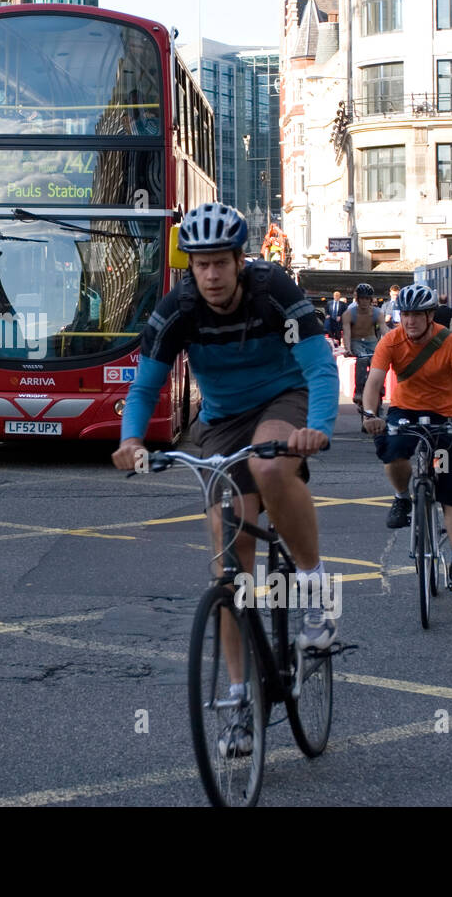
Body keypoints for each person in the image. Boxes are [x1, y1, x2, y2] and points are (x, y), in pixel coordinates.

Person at [113, 202, 340, 758]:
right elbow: (145, 388)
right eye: (200, 265)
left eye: (220, 263)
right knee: (230, 565)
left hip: (284, 398)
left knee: (268, 468)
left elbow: (319, 366)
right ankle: (240, 699)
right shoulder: (178, 310)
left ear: (241, 261)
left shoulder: (275, 292)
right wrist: (132, 440)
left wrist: (319, 428)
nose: (210, 275)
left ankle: (313, 586)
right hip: (221, 419)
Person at [360, 284, 452, 592]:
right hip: (406, 411)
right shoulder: (391, 340)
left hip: (445, 416)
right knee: (394, 450)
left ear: (430, 316)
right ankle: (402, 498)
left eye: (416, 315)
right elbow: (374, 382)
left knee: (450, 484)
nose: (409, 321)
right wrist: (370, 415)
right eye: (405, 315)